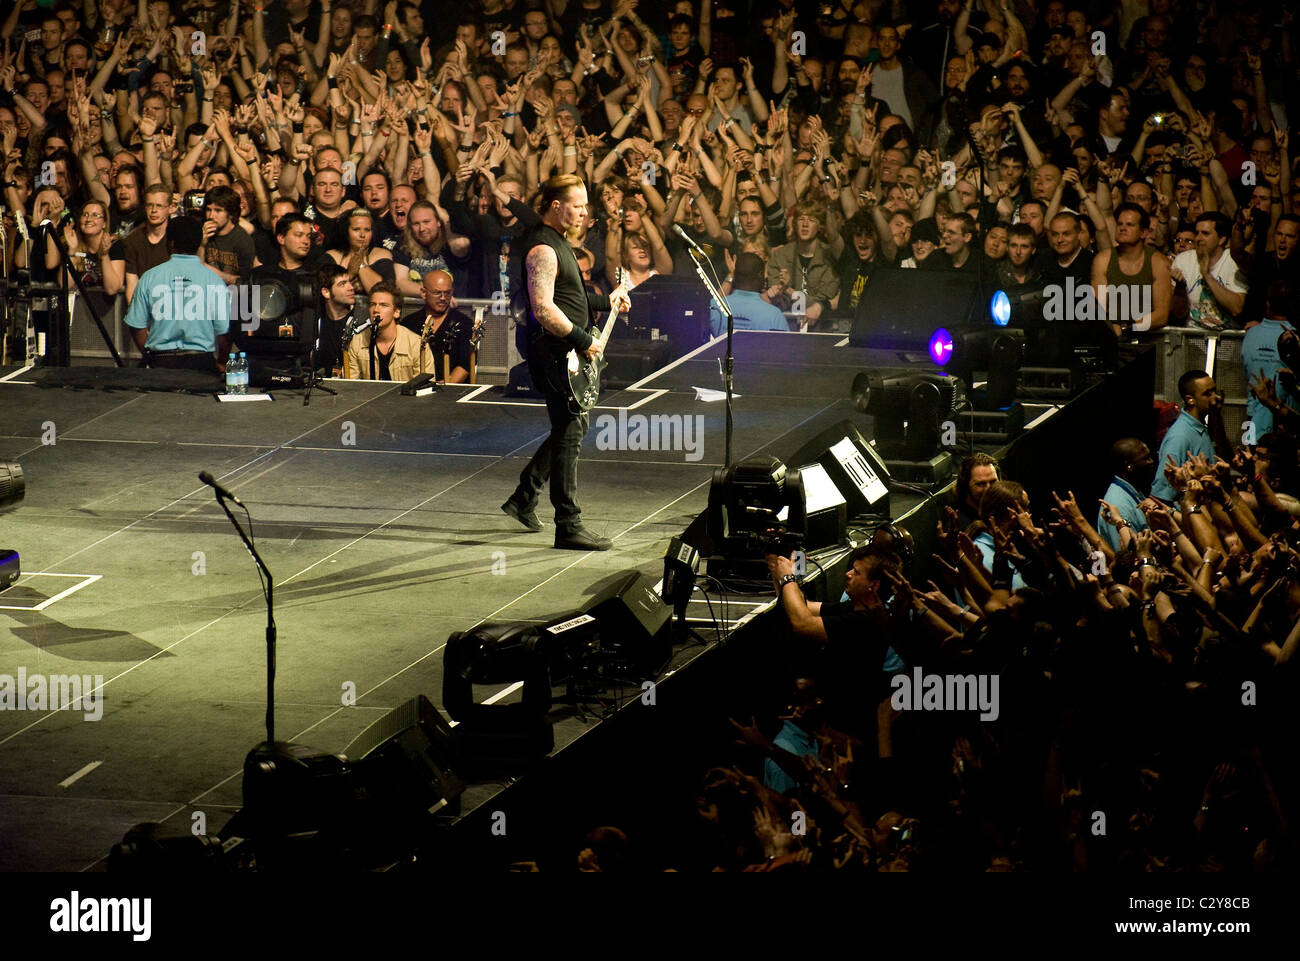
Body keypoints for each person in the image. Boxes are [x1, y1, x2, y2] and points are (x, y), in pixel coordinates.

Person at [501, 174, 631, 551]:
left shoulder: (558, 243)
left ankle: (525, 498)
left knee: (566, 427)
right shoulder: (542, 248)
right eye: (577, 205)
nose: (584, 212)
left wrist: (608, 302)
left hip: (566, 351)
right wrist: (583, 340)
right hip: (557, 353)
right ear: (556, 207)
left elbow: (570, 295)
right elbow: (543, 308)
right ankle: (568, 525)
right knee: (571, 431)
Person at [123, 217, 230, 373]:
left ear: (170, 242)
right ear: (199, 242)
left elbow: (136, 325)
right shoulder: (214, 280)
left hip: (160, 362)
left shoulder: (150, 277)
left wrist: (148, 355)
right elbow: (224, 331)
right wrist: (221, 361)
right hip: (201, 363)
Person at [1090, 203, 1171, 337]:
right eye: (1120, 224)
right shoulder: (1103, 260)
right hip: (1110, 335)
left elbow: (1161, 314)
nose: (1122, 228)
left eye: (1129, 225)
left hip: (1146, 339)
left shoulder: (1158, 262)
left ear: (1143, 232)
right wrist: (1113, 328)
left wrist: (1127, 328)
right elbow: (1099, 307)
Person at [1150, 369, 1226, 503]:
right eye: (1207, 394)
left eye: (1214, 391)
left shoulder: (1200, 426)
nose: (1215, 398)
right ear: (1190, 399)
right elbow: (1162, 493)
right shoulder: (1179, 437)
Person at [1171, 212, 1248, 332]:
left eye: (1205, 233)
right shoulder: (1183, 260)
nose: (1198, 238)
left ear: (1221, 239)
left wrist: (1206, 275)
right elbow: (1178, 314)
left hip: (1228, 337)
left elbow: (1236, 308)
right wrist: (1180, 288)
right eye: (1197, 233)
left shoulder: (1233, 261)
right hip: (1193, 335)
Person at [344, 281, 434, 382]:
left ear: (396, 312)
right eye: (373, 304)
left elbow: (425, 386)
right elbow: (351, 385)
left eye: (383, 305)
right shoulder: (358, 341)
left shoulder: (415, 344)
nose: (376, 310)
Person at [1242, 279, 1297, 441]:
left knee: (1250, 463)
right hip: (1283, 427)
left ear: (1268, 304)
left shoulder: (1250, 334)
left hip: (1252, 422)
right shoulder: (1294, 338)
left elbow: (1247, 373)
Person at [400, 270, 476, 384]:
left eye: (447, 293)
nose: (443, 298)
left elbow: (465, 365)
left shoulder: (464, 323)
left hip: (450, 392)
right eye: (437, 293)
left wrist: (444, 387)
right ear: (424, 293)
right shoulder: (409, 323)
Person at [710, 252, 789, 337]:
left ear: (734, 275)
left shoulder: (714, 308)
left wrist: (731, 274)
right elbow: (786, 348)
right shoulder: (774, 315)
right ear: (760, 275)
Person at [1096, 439, 1154, 552]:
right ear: (1129, 466)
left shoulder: (1132, 490)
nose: (1151, 462)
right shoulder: (1118, 504)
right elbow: (1127, 555)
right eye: (1146, 458)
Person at [316, 263, 359, 377]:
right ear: (326, 292)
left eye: (350, 282)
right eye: (342, 284)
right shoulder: (316, 322)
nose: (351, 288)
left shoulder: (360, 320)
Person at [953, 452, 1000, 532]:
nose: (988, 489)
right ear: (965, 486)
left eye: (993, 482)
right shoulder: (961, 525)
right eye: (981, 484)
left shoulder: (1001, 511)